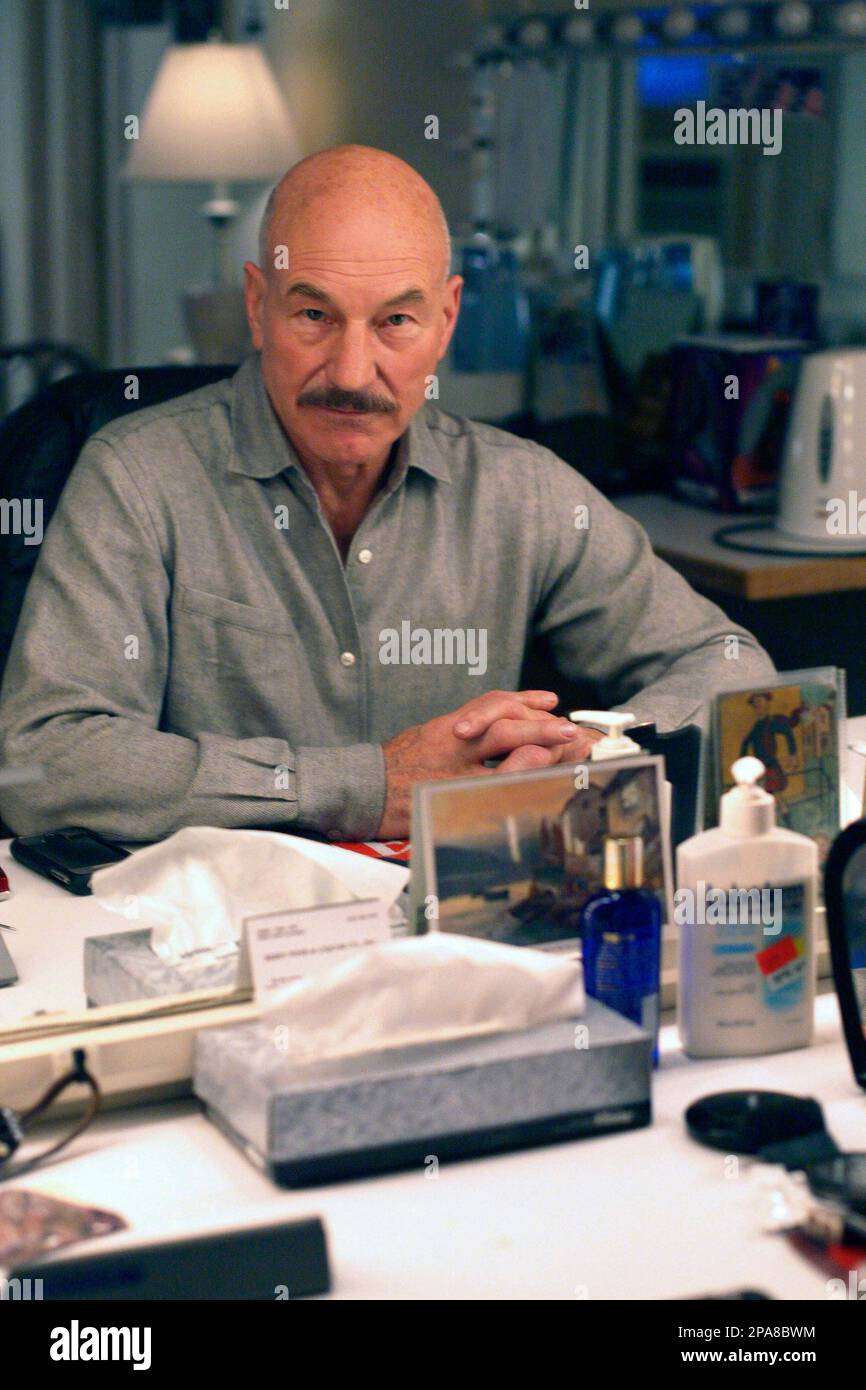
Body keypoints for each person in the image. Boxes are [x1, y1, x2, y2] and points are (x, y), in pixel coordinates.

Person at [0, 146, 777, 844]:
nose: (349, 370)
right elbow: (44, 762)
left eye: (396, 321)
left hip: (460, 941)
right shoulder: (135, 476)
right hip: (212, 946)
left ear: (446, 320)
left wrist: (601, 750)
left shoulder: (522, 489)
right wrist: (368, 788)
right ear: (256, 306)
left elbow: (732, 662)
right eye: (314, 314)